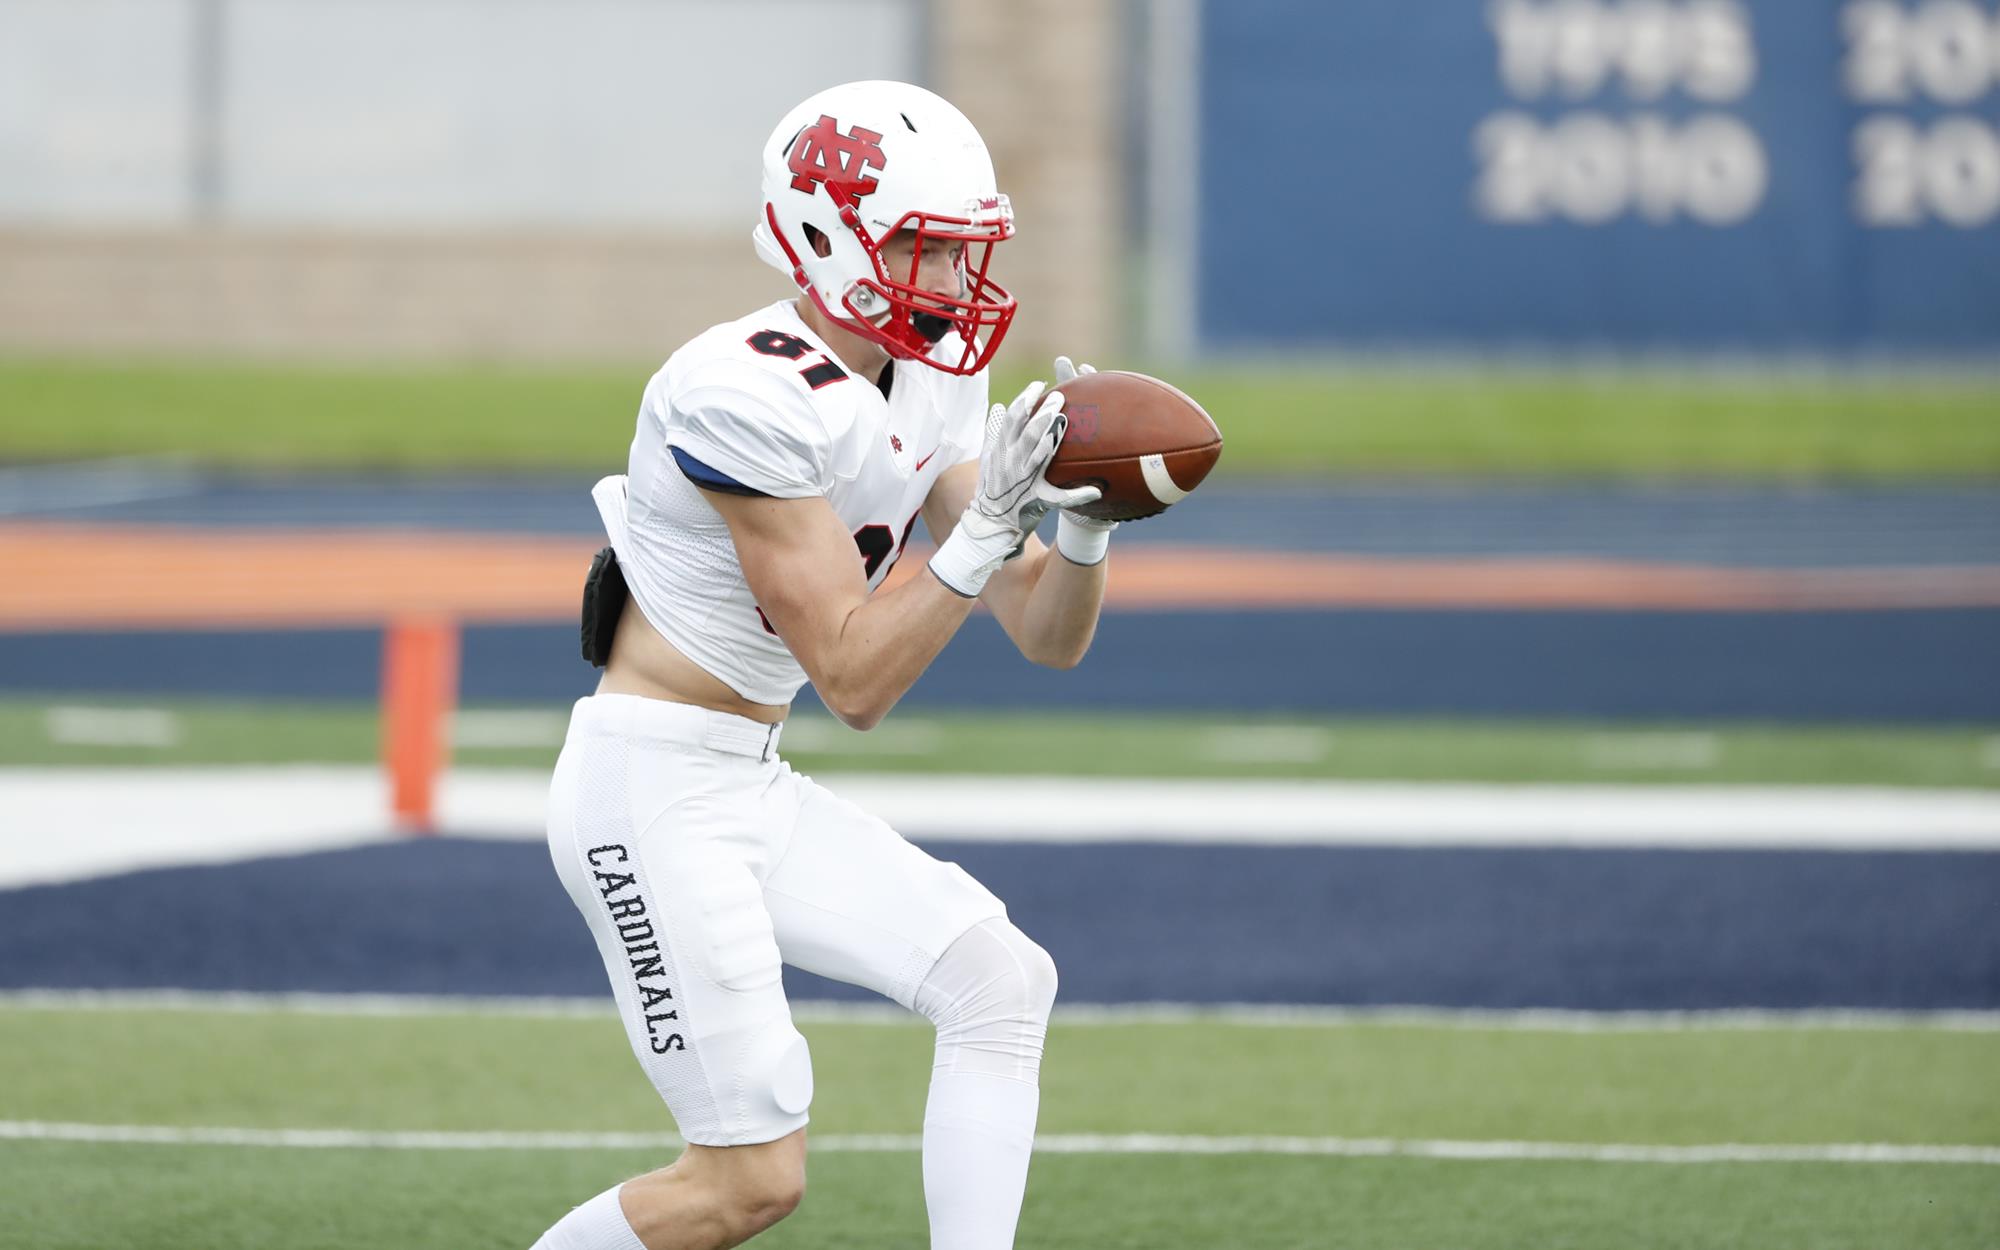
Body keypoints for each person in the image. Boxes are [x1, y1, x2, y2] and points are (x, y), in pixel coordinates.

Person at [533, 79, 1118, 1250]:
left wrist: (1081, 524)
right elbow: (854, 678)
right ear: (817, 233)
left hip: (745, 777)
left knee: (1000, 979)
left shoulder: (935, 374)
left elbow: (1043, 633)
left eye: (959, 251)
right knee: (743, 1184)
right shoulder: (738, 389)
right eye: (918, 245)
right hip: (649, 790)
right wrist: (984, 528)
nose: (950, 281)